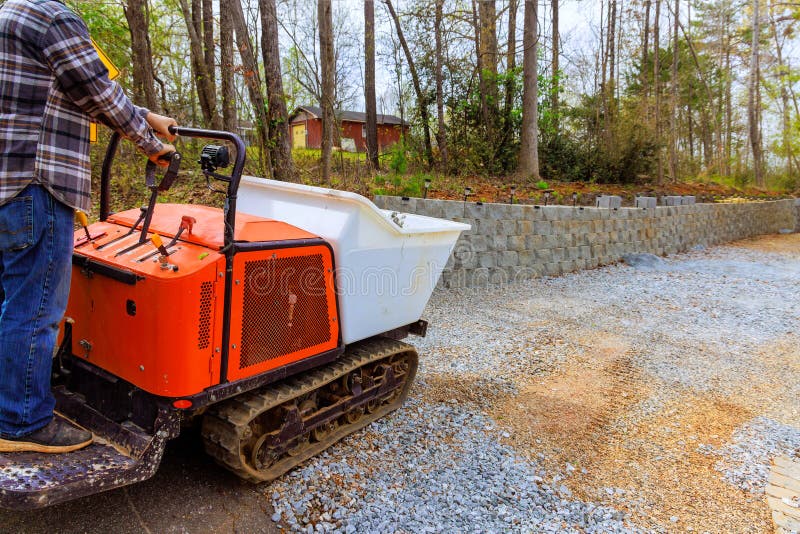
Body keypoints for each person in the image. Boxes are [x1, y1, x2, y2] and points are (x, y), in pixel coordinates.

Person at [0, 0, 177, 454]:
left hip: (10, 185)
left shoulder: (10, 14)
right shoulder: (53, 17)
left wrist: (146, 113)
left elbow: (68, 87)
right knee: (36, 309)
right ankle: (21, 421)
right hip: (38, 183)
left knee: (12, 301)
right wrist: (152, 143)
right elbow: (97, 91)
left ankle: (12, 400)